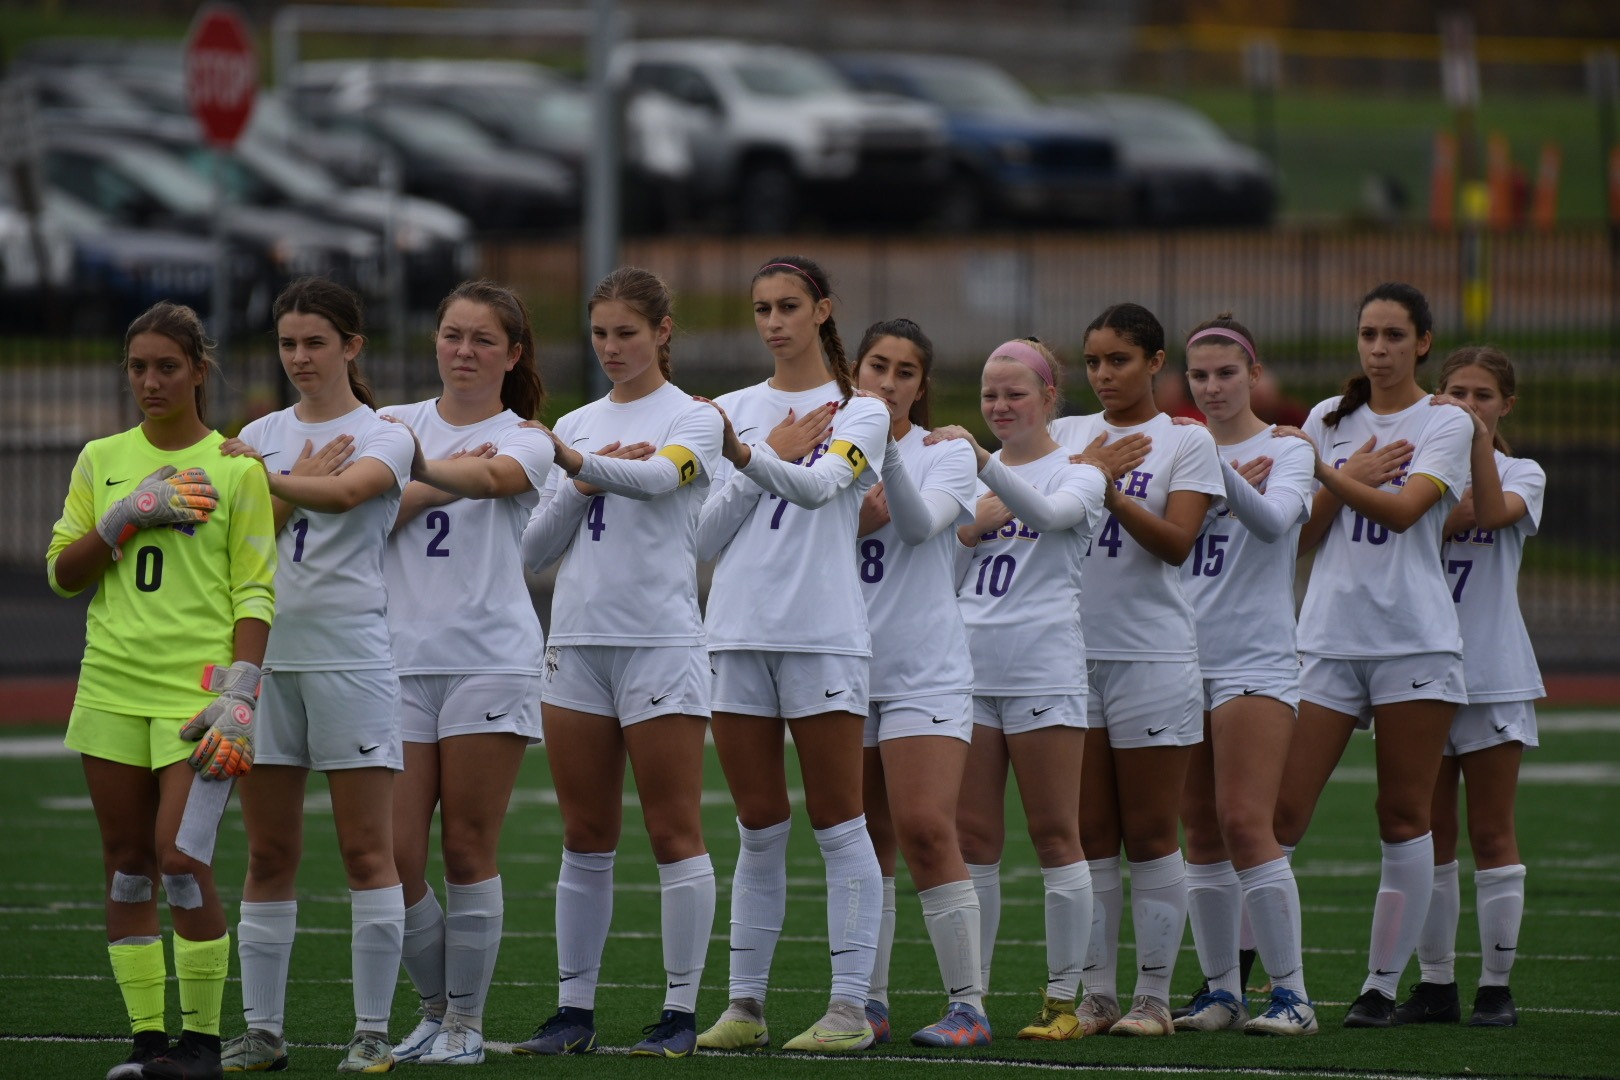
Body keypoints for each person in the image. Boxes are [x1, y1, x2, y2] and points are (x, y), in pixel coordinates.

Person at [48, 302, 274, 1080]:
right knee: (127, 866)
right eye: (138, 367)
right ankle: (148, 1044)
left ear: (198, 371)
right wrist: (122, 518)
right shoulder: (100, 456)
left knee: (181, 857)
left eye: (166, 366)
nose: (150, 381)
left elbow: (255, 592)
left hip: (197, 700)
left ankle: (204, 1046)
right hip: (110, 687)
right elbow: (63, 575)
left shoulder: (238, 467)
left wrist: (243, 693)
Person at [511, 268, 722, 1058]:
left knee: (674, 830)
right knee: (585, 833)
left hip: (661, 644)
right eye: (600, 333)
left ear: (663, 331)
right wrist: (580, 475)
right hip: (577, 643)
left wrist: (577, 462)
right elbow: (532, 551)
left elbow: (661, 477)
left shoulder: (696, 419)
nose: (611, 348)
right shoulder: (581, 421)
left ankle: (678, 1014)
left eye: (627, 332)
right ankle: (573, 1011)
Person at [218, 277, 417, 1073]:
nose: (300, 358)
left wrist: (271, 479)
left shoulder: (387, 431)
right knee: (268, 855)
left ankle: (371, 1033)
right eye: (289, 344)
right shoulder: (259, 431)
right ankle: (262, 1032)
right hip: (266, 664)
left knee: (369, 852)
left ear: (352, 347)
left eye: (316, 343)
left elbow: (349, 492)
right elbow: (243, 543)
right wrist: (280, 486)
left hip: (353, 660)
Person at [692, 256, 890, 1053]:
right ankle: (746, 1006)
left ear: (822, 311)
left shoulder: (861, 410)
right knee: (758, 826)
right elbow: (701, 538)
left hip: (822, 633)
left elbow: (819, 493)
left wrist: (749, 457)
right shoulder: (735, 410)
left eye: (788, 306)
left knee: (841, 822)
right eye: (762, 308)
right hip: (737, 631)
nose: (773, 321)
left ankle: (850, 1010)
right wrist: (757, 449)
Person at [1270, 282, 1475, 1029]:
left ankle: (1382, 987)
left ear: (1423, 342)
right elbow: (1299, 536)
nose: (1379, 349)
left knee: (1401, 814)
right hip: (1326, 637)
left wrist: (1329, 471)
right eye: (1368, 334)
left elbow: (1404, 510)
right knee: (1281, 814)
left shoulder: (1444, 420)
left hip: (1413, 641)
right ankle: (1247, 979)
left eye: (1394, 335)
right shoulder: (1328, 418)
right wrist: (1336, 471)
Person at [378, 280, 555, 1066]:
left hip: (489, 659)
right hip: (398, 662)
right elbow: (369, 510)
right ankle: (436, 1006)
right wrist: (428, 468)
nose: (464, 352)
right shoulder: (394, 424)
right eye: (452, 335)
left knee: (467, 849)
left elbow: (493, 480)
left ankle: (466, 1026)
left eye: (483, 340)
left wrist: (412, 476)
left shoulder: (529, 436)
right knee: (393, 856)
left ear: (512, 355)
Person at [928, 338, 1116, 1043]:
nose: (1000, 406)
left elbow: (1052, 516)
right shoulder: (970, 478)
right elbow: (944, 568)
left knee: (1054, 834)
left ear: (1047, 397)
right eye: (989, 395)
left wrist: (984, 476)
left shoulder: (1082, 471)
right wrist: (968, 524)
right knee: (974, 837)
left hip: (1044, 668)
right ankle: (968, 1004)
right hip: (970, 670)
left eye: (1014, 394)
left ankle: (1065, 1000)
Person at [1049, 303, 1224, 1038]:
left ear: (1155, 362)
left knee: (1152, 831)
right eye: (1091, 362)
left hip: (1150, 655)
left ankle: (1154, 996)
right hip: (1069, 654)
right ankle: (1097, 994)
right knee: (1091, 832)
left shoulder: (1185, 439)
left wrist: (1107, 489)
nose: (1103, 375)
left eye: (1118, 360)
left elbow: (1178, 542)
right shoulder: (1065, 435)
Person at [1174, 314, 1319, 1036]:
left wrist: (1216, 470)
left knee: (1244, 822)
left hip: (1256, 656)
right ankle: (1221, 992)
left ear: (1254, 375)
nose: (1212, 387)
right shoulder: (1180, 448)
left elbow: (1274, 523)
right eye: (1199, 375)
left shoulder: (1288, 448)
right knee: (1199, 831)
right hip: (1180, 658)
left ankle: (1292, 996)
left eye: (1226, 373)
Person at [848, 319, 989, 1047]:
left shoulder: (945, 453)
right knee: (867, 840)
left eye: (906, 373)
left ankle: (969, 1005)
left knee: (928, 828)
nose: (890, 383)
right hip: (844, 667)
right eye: (878, 367)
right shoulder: (825, 453)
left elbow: (911, 526)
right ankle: (868, 1003)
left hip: (924, 668)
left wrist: (884, 463)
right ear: (854, 370)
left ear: (922, 386)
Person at [1396, 346, 1543, 1029]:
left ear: (1505, 405)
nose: (1467, 404)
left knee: (1491, 830)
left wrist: (1476, 446)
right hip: (1420, 673)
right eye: (1455, 392)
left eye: (1483, 395)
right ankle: (1435, 985)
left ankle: (1495, 987)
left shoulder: (1522, 471)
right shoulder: (1420, 472)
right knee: (1427, 834)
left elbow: (1487, 513)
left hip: (1490, 675)